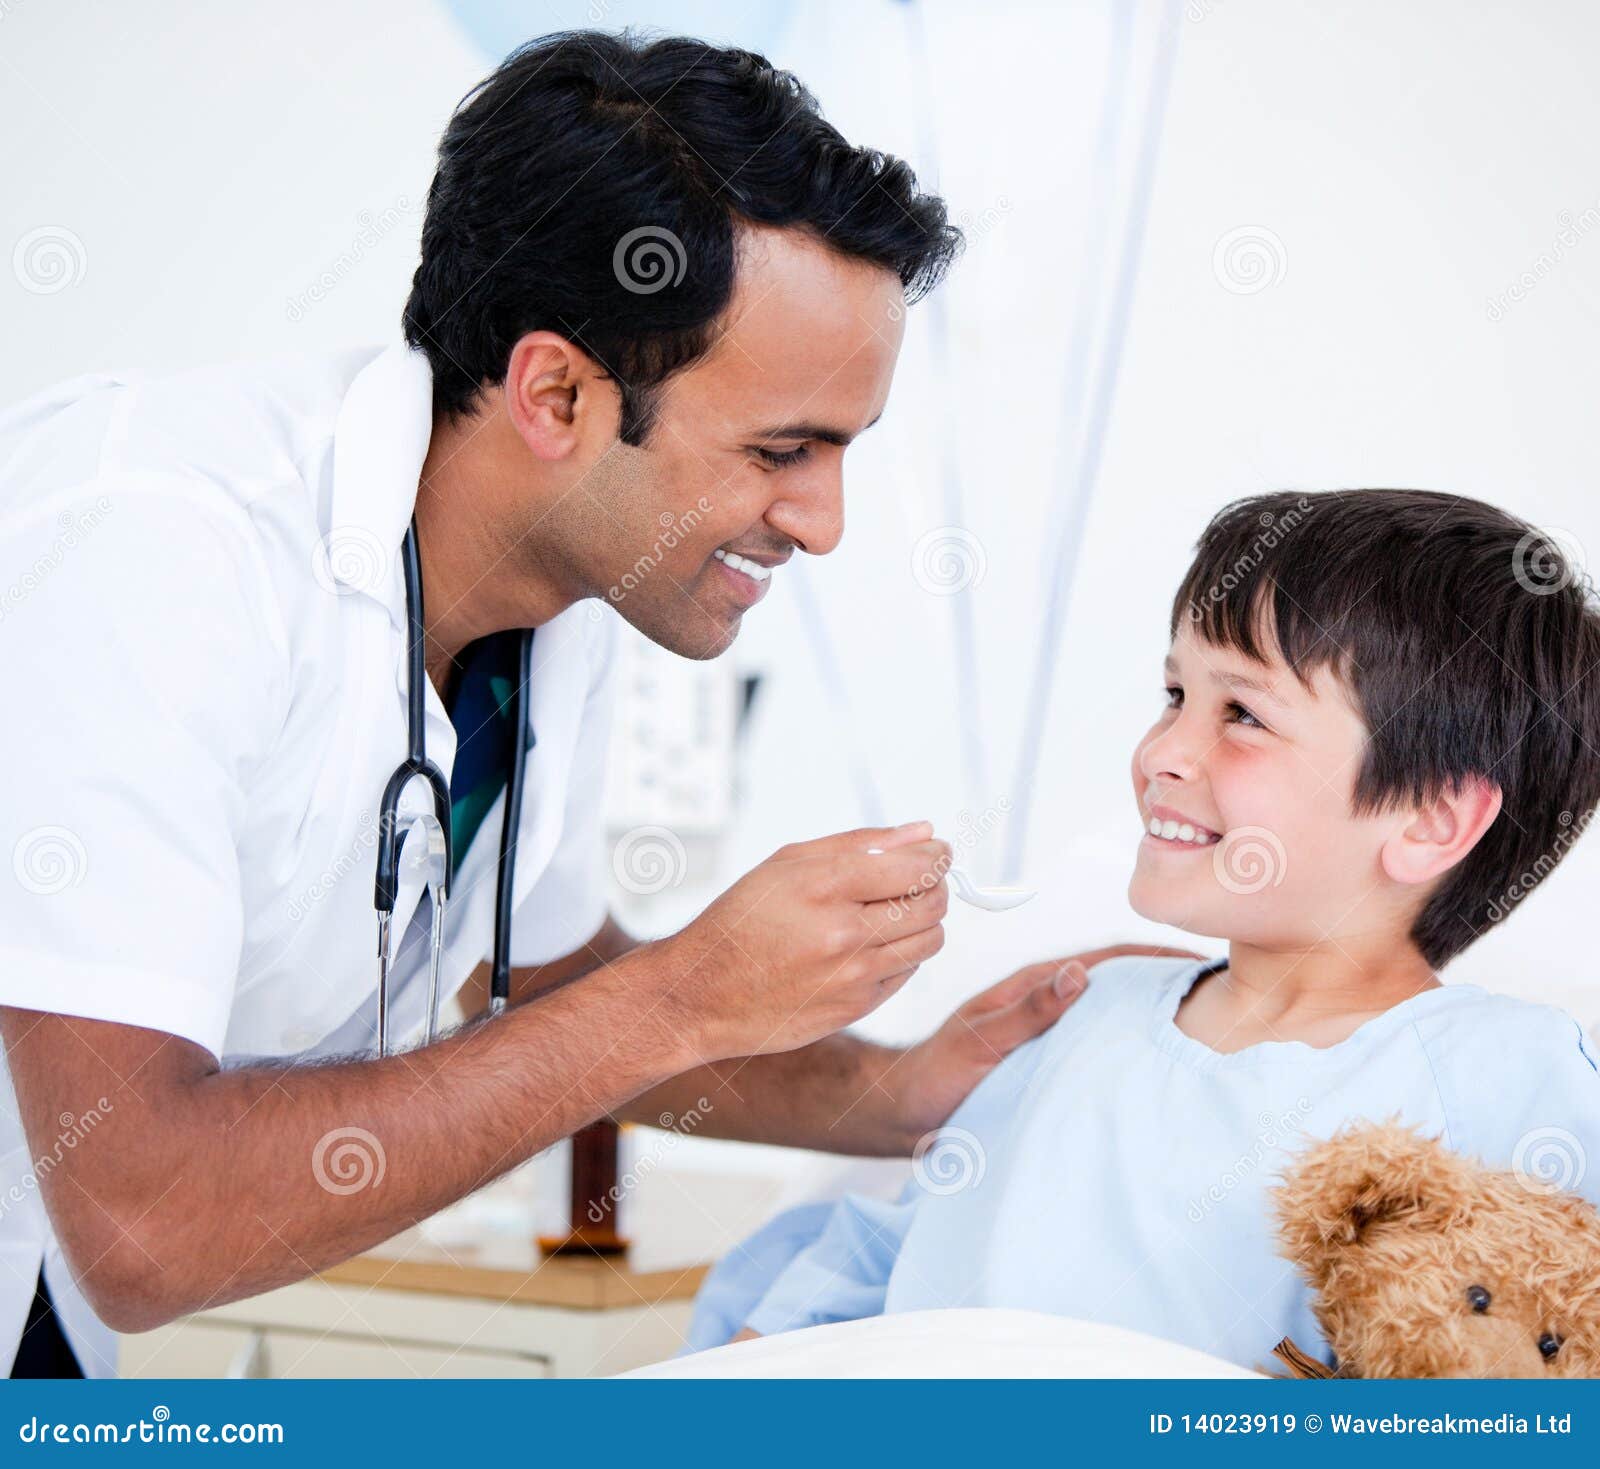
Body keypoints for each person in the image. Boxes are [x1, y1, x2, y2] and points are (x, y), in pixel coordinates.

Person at [0, 32, 1175, 1376]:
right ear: (555, 392)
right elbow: (145, 1216)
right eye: (783, 450)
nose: (825, 521)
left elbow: (545, 990)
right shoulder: (149, 549)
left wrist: (897, 1085)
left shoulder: (563, 599)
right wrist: (687, 994)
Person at [722, 489, 1600, 1375]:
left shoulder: (1507, 1073)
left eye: (1243, 715)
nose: (1161, 753)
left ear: (1429, 819)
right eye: (1175, 693)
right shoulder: (1084, 1012)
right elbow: (888, 1247)